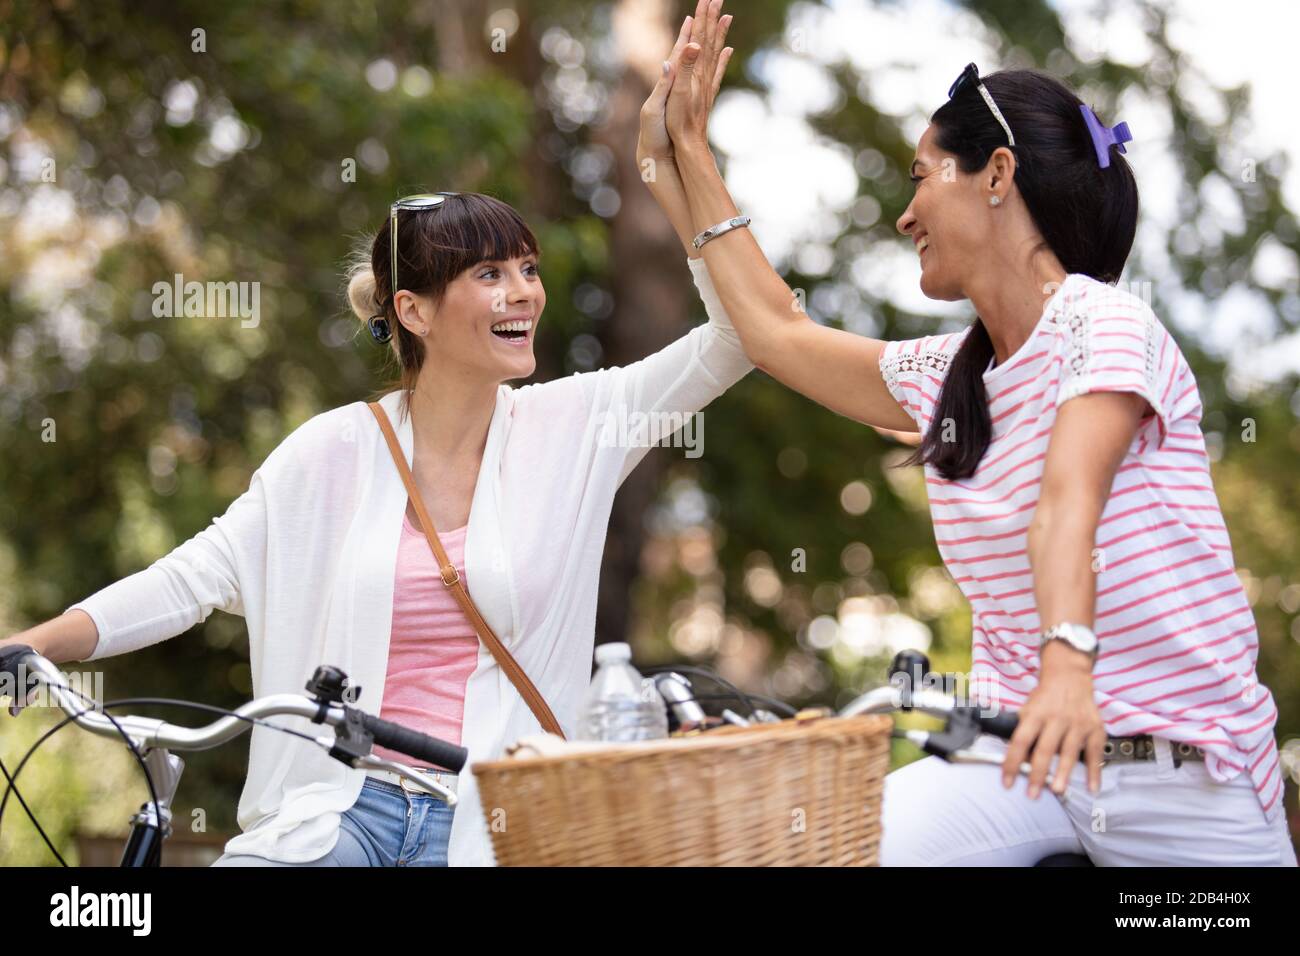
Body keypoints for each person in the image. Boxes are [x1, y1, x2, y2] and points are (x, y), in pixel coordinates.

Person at [0, 14, 747, 867]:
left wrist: (681, 163)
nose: (524, 294)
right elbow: (192, 579)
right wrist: (36, 643)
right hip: (333, 814)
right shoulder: (330, 453)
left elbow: (739, 336)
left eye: (528, 270)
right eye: (490, 275)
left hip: (494, 824)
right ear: (413, 311)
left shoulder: (579, 424)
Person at [662, 0, 1296, 865]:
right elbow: (777, 336)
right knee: (847, 849)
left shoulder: (1103, 323)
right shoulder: (945, 378)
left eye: (921, 176)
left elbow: (1066, 504)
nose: (904, 214)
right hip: (1019, 753)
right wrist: (685, 157)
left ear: (997, 174)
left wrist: (1068, 671)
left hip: (1184, 777)